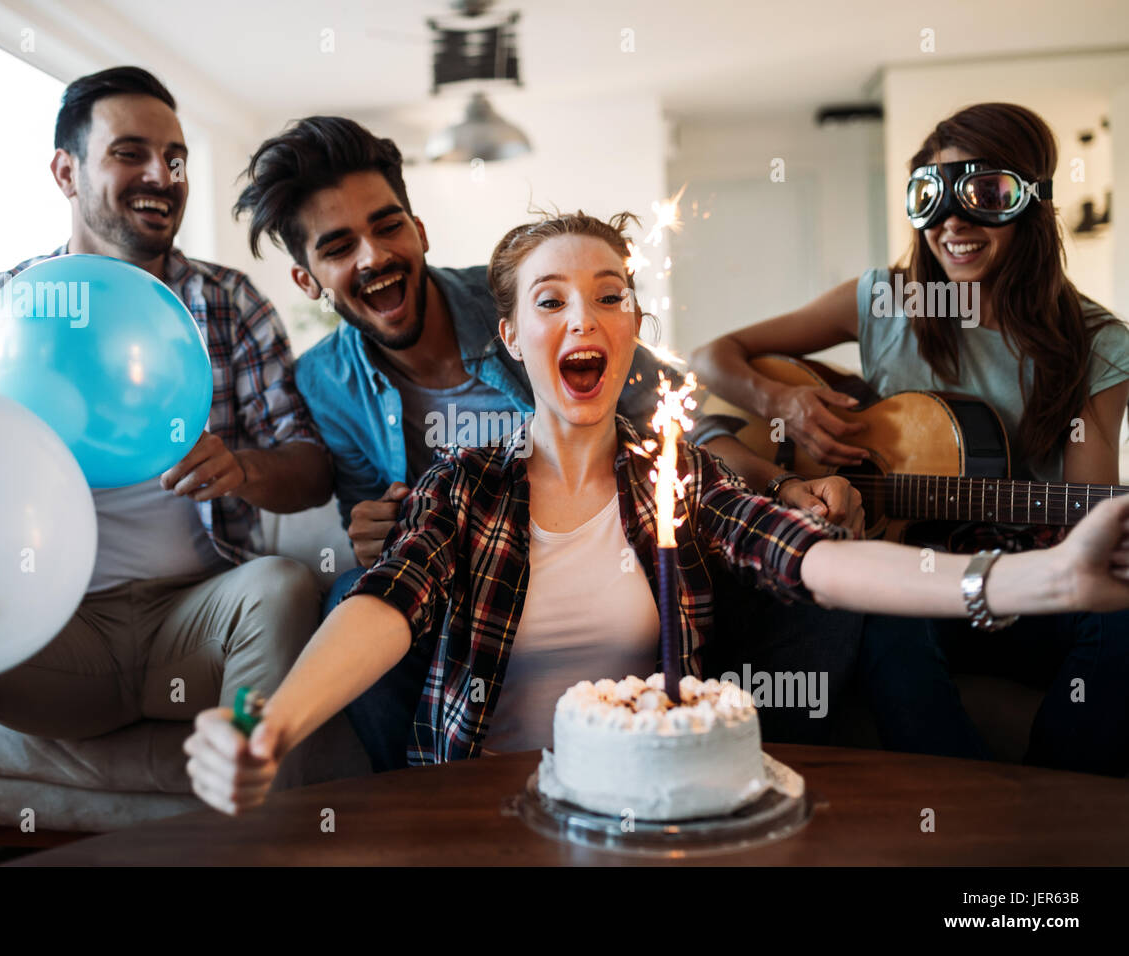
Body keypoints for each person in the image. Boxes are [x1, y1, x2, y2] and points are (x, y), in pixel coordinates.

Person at [183, 210, 1129, 814]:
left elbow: (818, 563)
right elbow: (384, 604)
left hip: (647, 817)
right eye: (549, 301)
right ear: (512, 337)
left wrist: (1038, 576)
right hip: (484, 812)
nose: (583, 320)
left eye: (609, 296)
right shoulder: (465, 486)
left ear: (634, 327)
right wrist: (272, 725)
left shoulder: (673, 480)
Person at [232, 117, 866, 768]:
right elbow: (377, 541)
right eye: (338, 247)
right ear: (307, 280)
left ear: (418, 231)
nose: (373, 256)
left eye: (387, 226)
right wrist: (375, 529)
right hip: (457, 588)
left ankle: (749, 773)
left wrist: (782, 486)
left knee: (826, 581)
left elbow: (685, 423)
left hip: (620, 546)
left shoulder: (537, 295)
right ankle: (412, 799)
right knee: (352, 593)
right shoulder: (323, 382)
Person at [0, 67, 335, 866]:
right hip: (44, 635)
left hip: (191, 622)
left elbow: (311, 465)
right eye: (131, 153)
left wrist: (242, 469)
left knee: (285, 585)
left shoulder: (229, 303)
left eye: (176, 157)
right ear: (66, 171)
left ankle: (255, 860)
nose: (162, 176)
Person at [691, 102, 1129, 774]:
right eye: (930, 196)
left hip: (1026, 582)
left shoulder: (1098, 345)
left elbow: (1084, 514)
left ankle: (1059, 805)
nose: (952, 221)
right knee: (885, 622)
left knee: (1119, 616)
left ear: (1031, 204)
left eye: (984, 194)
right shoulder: (884, 302)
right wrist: (784, 403)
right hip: (913, 578)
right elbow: (714, 354)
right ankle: (964, 807)